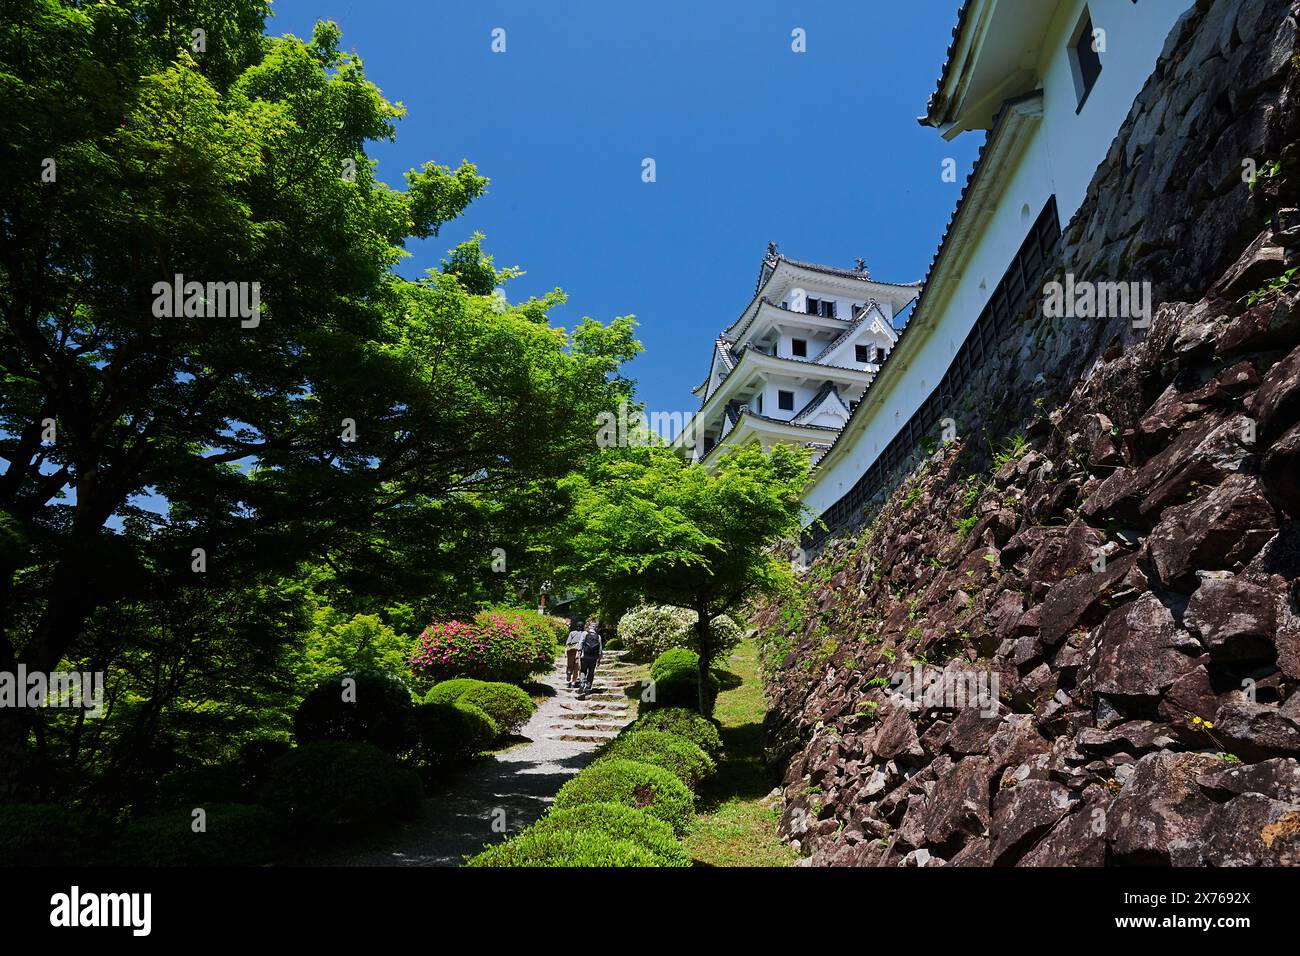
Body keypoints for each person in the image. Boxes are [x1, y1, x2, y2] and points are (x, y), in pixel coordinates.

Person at [578, 621, 602, 697]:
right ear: (596, 628)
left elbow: (581, 643)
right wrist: (599, 659)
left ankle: (581, 684)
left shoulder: (585, 633)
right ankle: (588, 687)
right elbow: (600, 649)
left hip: (585, 656)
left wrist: (579, 653)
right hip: (594, 657)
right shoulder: (598, 636)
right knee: (591, 672)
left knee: (583, 670)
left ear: (589, 627)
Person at [564, 619, 586, 688]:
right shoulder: (584, 633)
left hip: (570, 650)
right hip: (579, 651)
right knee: (577, 667)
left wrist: (565, 652)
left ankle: (569, 672)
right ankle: (573, 682)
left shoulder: (572, 633)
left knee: (569, 664)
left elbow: (568, 643)